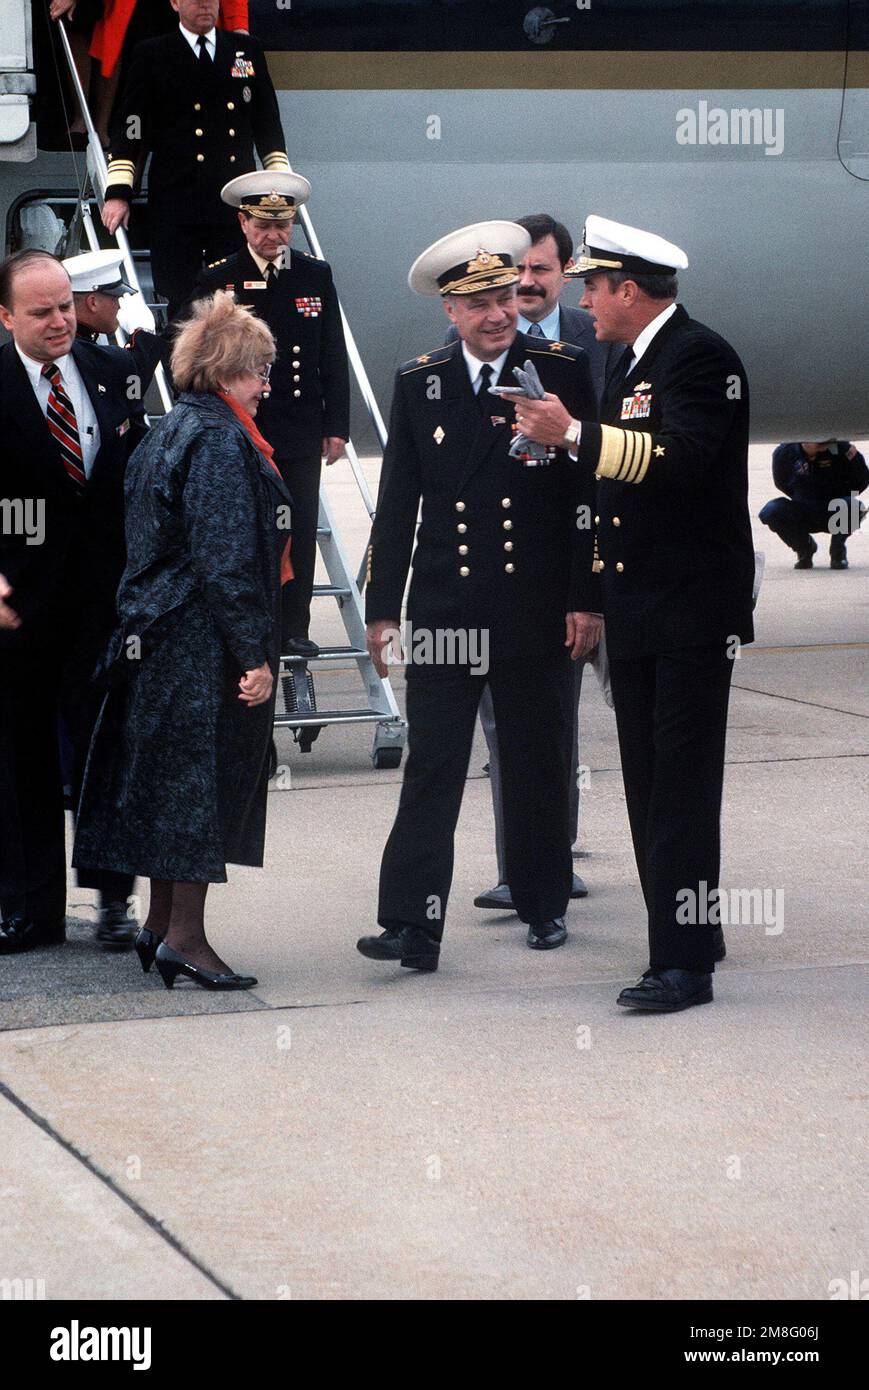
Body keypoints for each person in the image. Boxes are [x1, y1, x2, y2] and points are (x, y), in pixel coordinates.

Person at [510, 215, 755, 1011]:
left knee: (679, 791)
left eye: (592, 284)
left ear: (627, 289)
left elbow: (678, 460)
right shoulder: (628, 361)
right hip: (642, 606)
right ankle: (692, 930)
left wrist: (574, 434)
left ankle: (682, 967)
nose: (583, 297)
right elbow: (612, 488)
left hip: (689, 608)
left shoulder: (699, 356)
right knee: (651, 786)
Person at [357, 221, 598, 973]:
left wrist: (585, 599)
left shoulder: (558, 370)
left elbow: (587, 498)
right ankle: (411, 922)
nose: (497, 314)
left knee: (535, 760)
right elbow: (397, 504)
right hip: (445, 610)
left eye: (504, 297)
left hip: (535, 607)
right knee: (431, 764)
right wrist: (381, 611)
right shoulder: (418, 381)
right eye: (478, 303)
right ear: (449, 312)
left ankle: (542, 902)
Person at [72, 292, 291, 991]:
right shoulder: (221, 441)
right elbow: (224, 558)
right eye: (258, 371)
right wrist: (253, 654)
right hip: (200, 640)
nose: (265, 385)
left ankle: (161, 925)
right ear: (227, 373)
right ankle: (188, 940)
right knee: (195, 789)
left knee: (170, 788)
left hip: (156, 635)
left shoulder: (167, 431)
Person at [453, 213, 617, 916]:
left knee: (555, 722)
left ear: (562, 272)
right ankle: (516, 869)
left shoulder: (592, 344)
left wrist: (593, 583)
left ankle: (553, 859)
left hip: (570, 565)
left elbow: (601, 464)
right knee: (501, 728)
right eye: (515, 273)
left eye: (540, 271)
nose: (525, 285)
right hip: (499, 575)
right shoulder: (468, 344)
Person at [0, 249, 159, 954]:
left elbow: (141, 482)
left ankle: (113, 900)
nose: (61, 320)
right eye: (42, 312)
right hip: (18, 609)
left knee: (106, 754)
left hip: (104, 606)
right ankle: (28, 906)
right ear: (6, 318)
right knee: (20, 757)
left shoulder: (116, 373)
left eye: (66, 305)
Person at [184, 170, 350, 658]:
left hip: (299, 428)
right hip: (243, 427)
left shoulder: (315, 275)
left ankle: (294, 626)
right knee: (249, 527)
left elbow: (332, 353)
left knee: (295, 528)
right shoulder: (220, 279)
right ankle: (250, 623)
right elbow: (196, 354)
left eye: (283, 225)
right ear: (243, 222)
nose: (274, 235)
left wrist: (336, 426)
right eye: (264, 225)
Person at [101, 0, 289, 318]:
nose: (205, 4)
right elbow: (132, 127)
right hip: (177, 203)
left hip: (233, 204)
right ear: (174, 3)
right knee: (182, 305)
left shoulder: (245, 50)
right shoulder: (153, 54)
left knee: (241, 302)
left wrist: (281, 185)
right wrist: (119, 193)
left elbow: (267, 125)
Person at [759, 440, 868, 569]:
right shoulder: (785, 453)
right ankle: (805, 548)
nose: (821, 441)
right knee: (771, 511)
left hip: (835, 511)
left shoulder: (841, 449)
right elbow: (781, 482)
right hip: (804, 511)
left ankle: (838, 551)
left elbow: (862, 478)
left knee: (854, 505)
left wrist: (844, 496)